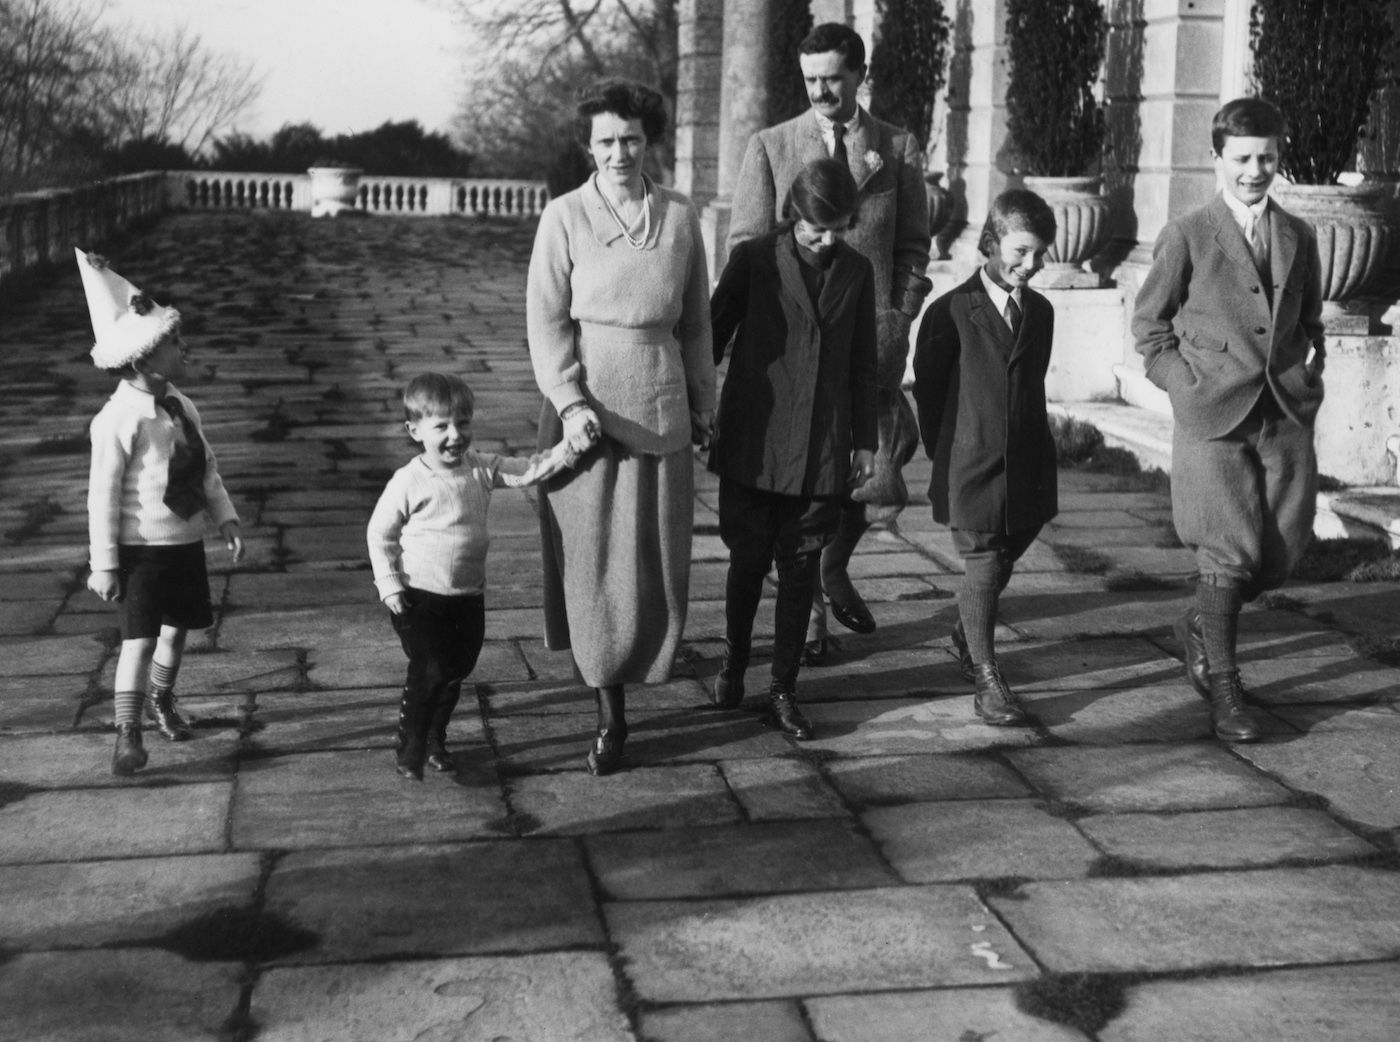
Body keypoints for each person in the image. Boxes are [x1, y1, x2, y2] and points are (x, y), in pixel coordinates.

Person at [527, 78, 716, 776]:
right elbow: (546, 325)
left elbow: (696, 325)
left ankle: (636, 676)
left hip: (660, 408)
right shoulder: (564, 217)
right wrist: (573, 405)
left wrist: (704, 407)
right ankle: (610, 714)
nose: (618, 152)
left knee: (652, 565)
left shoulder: (680, 217)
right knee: (594, 566)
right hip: (586, 416)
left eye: (631, 139)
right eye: (605, 140)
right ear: (588, 144)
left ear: (650, 141)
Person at [728, 21, 933, 664]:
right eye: (810, 78)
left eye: (833, 78)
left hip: (869, 345)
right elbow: (747, 250)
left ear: (858, 75)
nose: (820, 90)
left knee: (877, 472)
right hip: (792, 354)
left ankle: (833, 567)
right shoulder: (769, 146)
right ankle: (811, 625)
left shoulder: (896, 148)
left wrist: (897, 317)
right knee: (801, 487)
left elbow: (913, 247)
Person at [1132, 97, 1325, 743]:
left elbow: (1310, 322)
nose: (1254, 170)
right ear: (1217, 159)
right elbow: (1150, 329)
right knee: (1225, 553)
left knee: (1277, 556)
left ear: (1280, 157)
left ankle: (1200, 624)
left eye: (1267, 157)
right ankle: (1226, 692)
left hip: (1283, 417)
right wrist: (1184, 390)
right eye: (1241, 158)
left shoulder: (1299, 235)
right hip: (1212, 417)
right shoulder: (1187, 234)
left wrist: (1308, 378)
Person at [709, 158, 878, 740]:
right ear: (792, 215)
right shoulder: (755, 260)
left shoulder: (856, 271)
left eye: (838, 229)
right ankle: (733, 660)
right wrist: (693, 405)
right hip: (755, 440)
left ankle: (783, 689)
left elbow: (862, 360)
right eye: (814, 228)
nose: (827, 240)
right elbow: (710, 337)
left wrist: (866, 442)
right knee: (748, 560)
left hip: (821, 447)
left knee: (801, 566)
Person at [79, 248, 245, 775]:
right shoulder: (116, 421)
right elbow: (101, 495)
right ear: (144, 357)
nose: (183, 347)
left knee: (177, 633)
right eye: (174, 341)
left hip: (184, 542)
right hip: (139, 551)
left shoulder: (180, 405)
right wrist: (104, 563)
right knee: (140, 639)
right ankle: (127, 731)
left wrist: (225, 517)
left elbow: (206, 466)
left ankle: (162, 700)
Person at [367, 372, 569, 781]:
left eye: (463, 423)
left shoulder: (480, 468)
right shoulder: (409, 480)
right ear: (415, 431)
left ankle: (436, 738)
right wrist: (388, 585)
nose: (455, 435)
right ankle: (411, 742)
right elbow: (379, 533)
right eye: (441, 426)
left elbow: (526, 471)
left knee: (457, 668)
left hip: (467, 596)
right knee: (432, 666)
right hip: (417, 598)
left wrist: (568, 450)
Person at [911, 189, 1058, 727]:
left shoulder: (1040, 312)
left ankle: (966, 627)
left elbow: (1032, 382)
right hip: (968, 462)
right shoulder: (950, 312)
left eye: (1040, 254)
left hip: (1028, 463)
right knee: (984, 561)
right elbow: (928, 391)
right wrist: (949, 454)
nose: (1031, 265)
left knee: (1008, 551)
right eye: (1020, 251)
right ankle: (987, 676)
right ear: (991, 243)